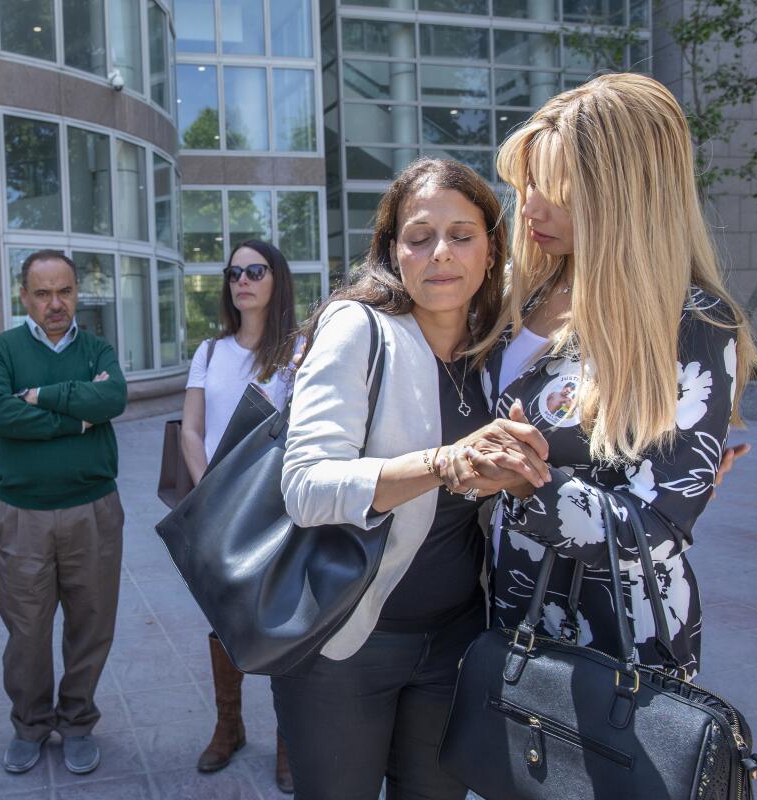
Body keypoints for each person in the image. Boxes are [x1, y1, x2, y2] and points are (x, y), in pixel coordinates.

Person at [445, 72, 757, 678]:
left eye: (556, 188)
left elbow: (656, 531)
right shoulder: (517, 292)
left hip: (615, 646)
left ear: (624, 192)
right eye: (527, 181)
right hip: (506, 615)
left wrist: (529, 484)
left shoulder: (690, 322)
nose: (529, 206)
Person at [274, 159, 552, 800]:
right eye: (419, 236)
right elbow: (308, 487)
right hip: (346, 641)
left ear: (491, 250)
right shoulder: (358, 327)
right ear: (393, 251)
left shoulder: (498, 346)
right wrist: (443, 461)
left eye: (461, 234)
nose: (440, 254)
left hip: (458, 638)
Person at [0, 249, 127, 777]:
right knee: (27, 631)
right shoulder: (1, 350)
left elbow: (113, 400)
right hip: (23, 515)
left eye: (64, 291)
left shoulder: (98, 348)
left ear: (76, 293)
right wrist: (75, 418)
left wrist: (42, 397)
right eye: (42, 293)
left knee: (91, 625)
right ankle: (31, 725)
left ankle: (78, 721)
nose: (55, 303)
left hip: (95, 511)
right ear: (24, 297)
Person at [180, 239, 300, 793]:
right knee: (223, 620)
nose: (242, 280)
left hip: (278, 508)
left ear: (276, 280)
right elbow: (191, 429)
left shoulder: (299, 351)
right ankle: (228, 727)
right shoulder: (210, 351)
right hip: (218, 506)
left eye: (255, 271)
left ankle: (288, 742)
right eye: (233, 273)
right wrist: (209, 490)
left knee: (279, 622)